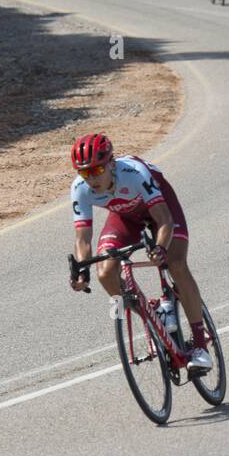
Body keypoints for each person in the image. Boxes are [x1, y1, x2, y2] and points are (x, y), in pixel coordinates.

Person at [68, 133, 212, 371]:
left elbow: (165, 221)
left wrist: (160, 248)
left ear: (111, 164)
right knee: (105, 273)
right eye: (84, 172)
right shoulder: (80, 188)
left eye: (96, 170)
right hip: (125, 216)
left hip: (161, 210)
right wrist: (82, 272)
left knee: (175, 264)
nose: (91, 178)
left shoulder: (133, 174)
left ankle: (200, 347)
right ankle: (153, 316)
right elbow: (83, 239)